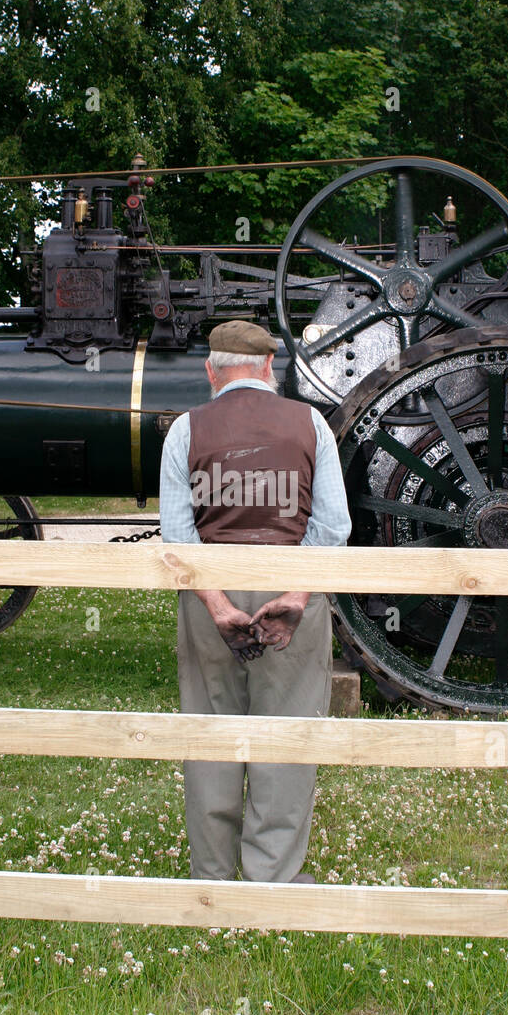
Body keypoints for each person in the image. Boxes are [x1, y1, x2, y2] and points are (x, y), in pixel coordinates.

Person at [159, 320, 351, 883]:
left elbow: (178, 538)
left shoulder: (185, 431)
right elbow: (333, 528)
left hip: (208, 596)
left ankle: (213, 877)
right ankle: (273, 877)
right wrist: (294, 596)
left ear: (210, 371)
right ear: (270, 367)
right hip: (293, 588)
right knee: (287, 733)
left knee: (210, 733)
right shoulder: (311, 423)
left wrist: (218, 607)